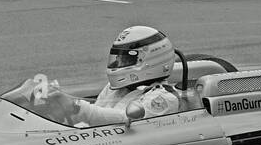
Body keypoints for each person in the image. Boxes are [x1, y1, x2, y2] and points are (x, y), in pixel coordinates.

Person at [18, 25, 185, 127]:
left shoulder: (163, 98)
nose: (119, 63)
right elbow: (96, 117)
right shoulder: (117, 88)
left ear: (150, 60)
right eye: (118, 58)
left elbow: (123, 120)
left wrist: (76, 107)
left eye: (125, 59)